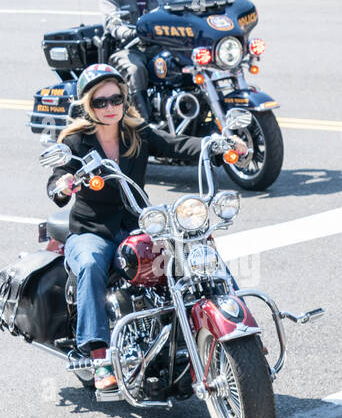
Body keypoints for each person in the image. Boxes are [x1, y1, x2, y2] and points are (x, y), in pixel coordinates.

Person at [47, 64, 242, 391]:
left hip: (136, 223)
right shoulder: (75, 142)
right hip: (92, 230)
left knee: (193, 248)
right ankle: (99, 358)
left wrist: (217, 145)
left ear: (124, 99)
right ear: (87, 105)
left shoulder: (137, 134)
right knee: (93, 264)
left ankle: (234, 324)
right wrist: (64, 183)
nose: (110, 107)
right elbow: (56, 181)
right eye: (100, 102)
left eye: (116, 99)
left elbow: (178, 145)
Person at [99, 0, 169, 120]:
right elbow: (112, 21)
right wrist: (127, 31)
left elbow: (177, 4)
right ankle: (144, 125)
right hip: (128, 49)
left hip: (158, 46)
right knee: (135, 70)